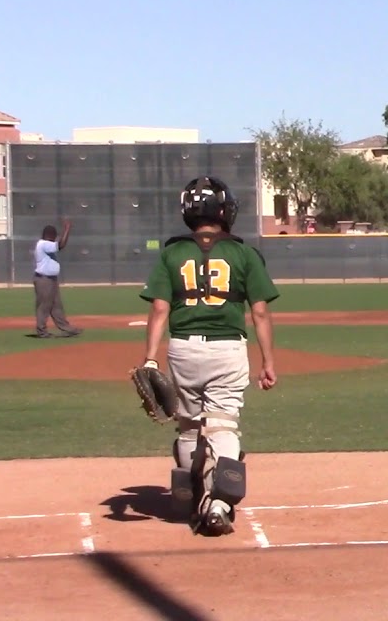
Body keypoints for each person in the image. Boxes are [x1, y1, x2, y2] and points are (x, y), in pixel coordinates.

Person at [138, 176, 280, 536]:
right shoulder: (244, 253)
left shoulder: (171, 253)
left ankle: (191, 492)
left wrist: (151, 359)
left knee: (188, 426)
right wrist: (267, 361)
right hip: (228, 349)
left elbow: (159, 309)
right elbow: (260, 313)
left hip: (183, 348)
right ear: (224, 210)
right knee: (222, 426)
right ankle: (218, 504)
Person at [32, 220, 82, 338]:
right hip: (44, 280)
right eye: (54, 236)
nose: (55, 238)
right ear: (50, 235)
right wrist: (67, 229)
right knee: (44, 306)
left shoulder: (45, 245)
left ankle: (66, 328)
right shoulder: (43, 244)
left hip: (51, 280)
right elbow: (61, 245)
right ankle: (42, 331)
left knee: (57, 306)